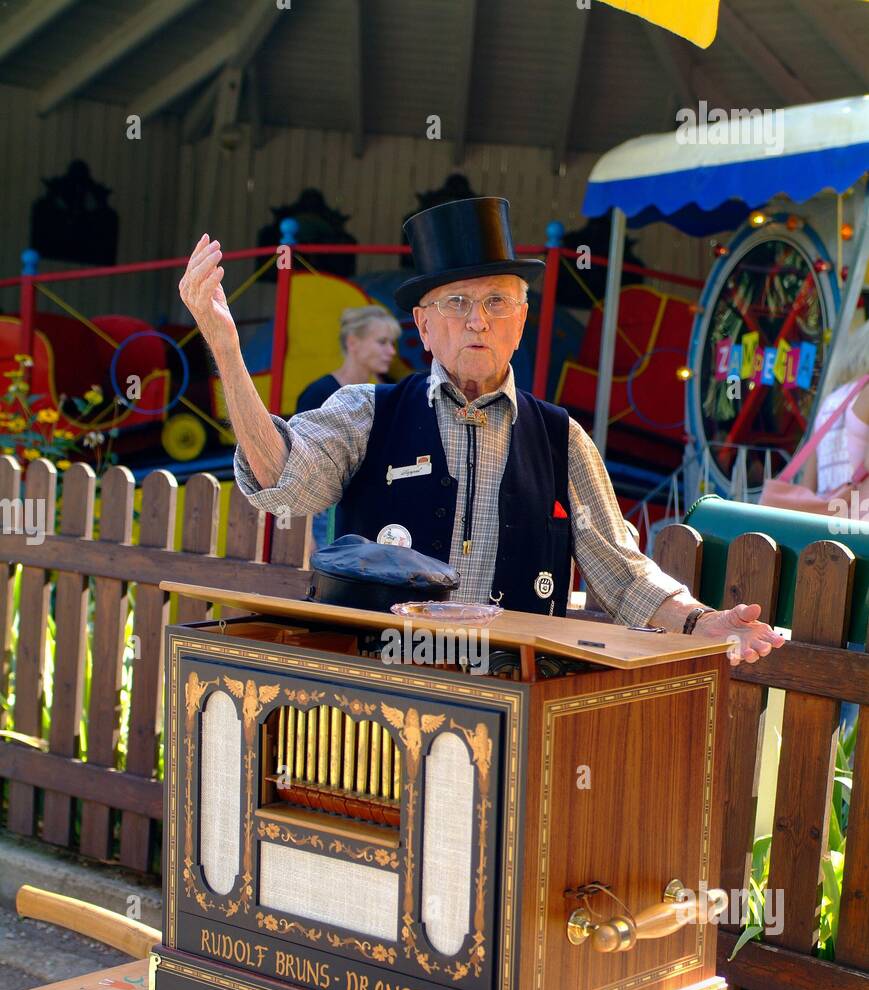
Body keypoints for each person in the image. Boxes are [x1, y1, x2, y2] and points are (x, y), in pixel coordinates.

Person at [179, 198, 785, 665]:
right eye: (457, 303)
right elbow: (284, 481)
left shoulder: (560, 437)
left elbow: (622, 571)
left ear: (521, 321)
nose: (478, 320)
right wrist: (227, 350)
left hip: (512, 701)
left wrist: (701, 621)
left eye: (497, 301)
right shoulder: (366, 410)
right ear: (423, 325)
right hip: (381, 690)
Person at [295, 305, 400, 548]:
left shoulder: (384, 395)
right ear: (353, 343)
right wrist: (304, 534)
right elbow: (298, 465)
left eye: (392, 343)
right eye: (382, 342)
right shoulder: (317, 393)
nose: (391, 351)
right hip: (324, 517)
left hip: (368, 516)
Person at [762, 323, 869, 516]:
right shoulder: (864, 396)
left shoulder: (832, 401)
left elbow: (807, 483)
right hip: (857, 521)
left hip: (824, 523)